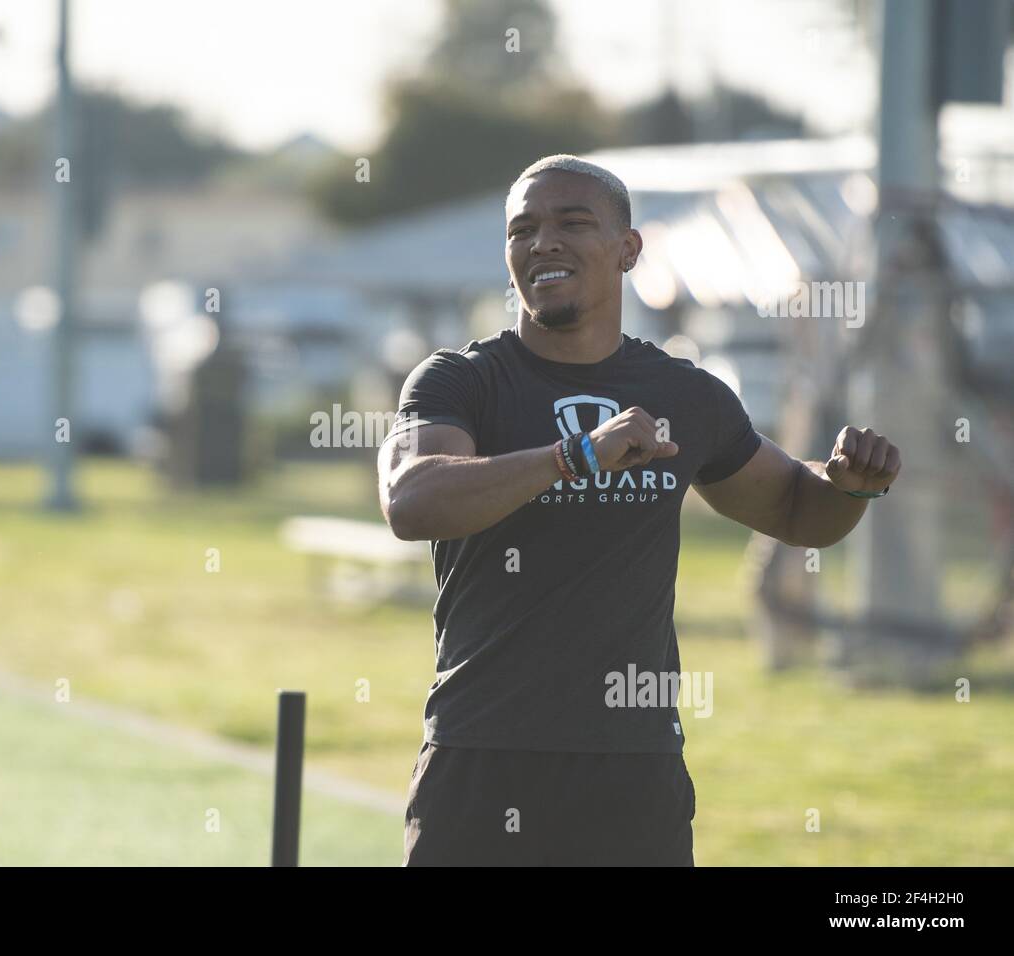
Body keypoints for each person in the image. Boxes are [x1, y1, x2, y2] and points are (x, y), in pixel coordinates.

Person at [377, 154, 902, 866]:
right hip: (482, 750)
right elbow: (413, 499)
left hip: (632, 762)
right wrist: (575, 454)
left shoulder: (685, 394)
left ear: (629, 250)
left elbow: (799, 512)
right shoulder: (459, 381)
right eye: (523, 229)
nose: (544, 242)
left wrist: (850, 485)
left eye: (572, 222)